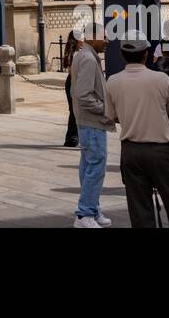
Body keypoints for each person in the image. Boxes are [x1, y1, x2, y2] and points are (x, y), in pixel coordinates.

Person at [104, 39, 169, 228]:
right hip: (161, 149)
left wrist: (133, 119)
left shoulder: (113, 81)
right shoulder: (161, 79)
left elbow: (113, 117)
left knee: (140, 210)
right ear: (146, 54)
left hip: (131, 150)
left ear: (122, 55)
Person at [70, 23, 113, 228]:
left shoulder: (85, 56)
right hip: (92, 121)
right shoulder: (87, 59)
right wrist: (106, 110)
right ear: (92, 37)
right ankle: (84, 214)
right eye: (103, 37)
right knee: (96, 165)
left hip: (88, 121)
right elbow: (83, 95)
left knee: (88, 165)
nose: (106, 40)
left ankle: (92, 209)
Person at [63, 31, 81, 147]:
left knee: (73, 111)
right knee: (75, 111)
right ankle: (72, 138)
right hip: (74, 81)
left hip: (70, 81)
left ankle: (72, 138)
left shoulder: (71, 52)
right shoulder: (77, 53)